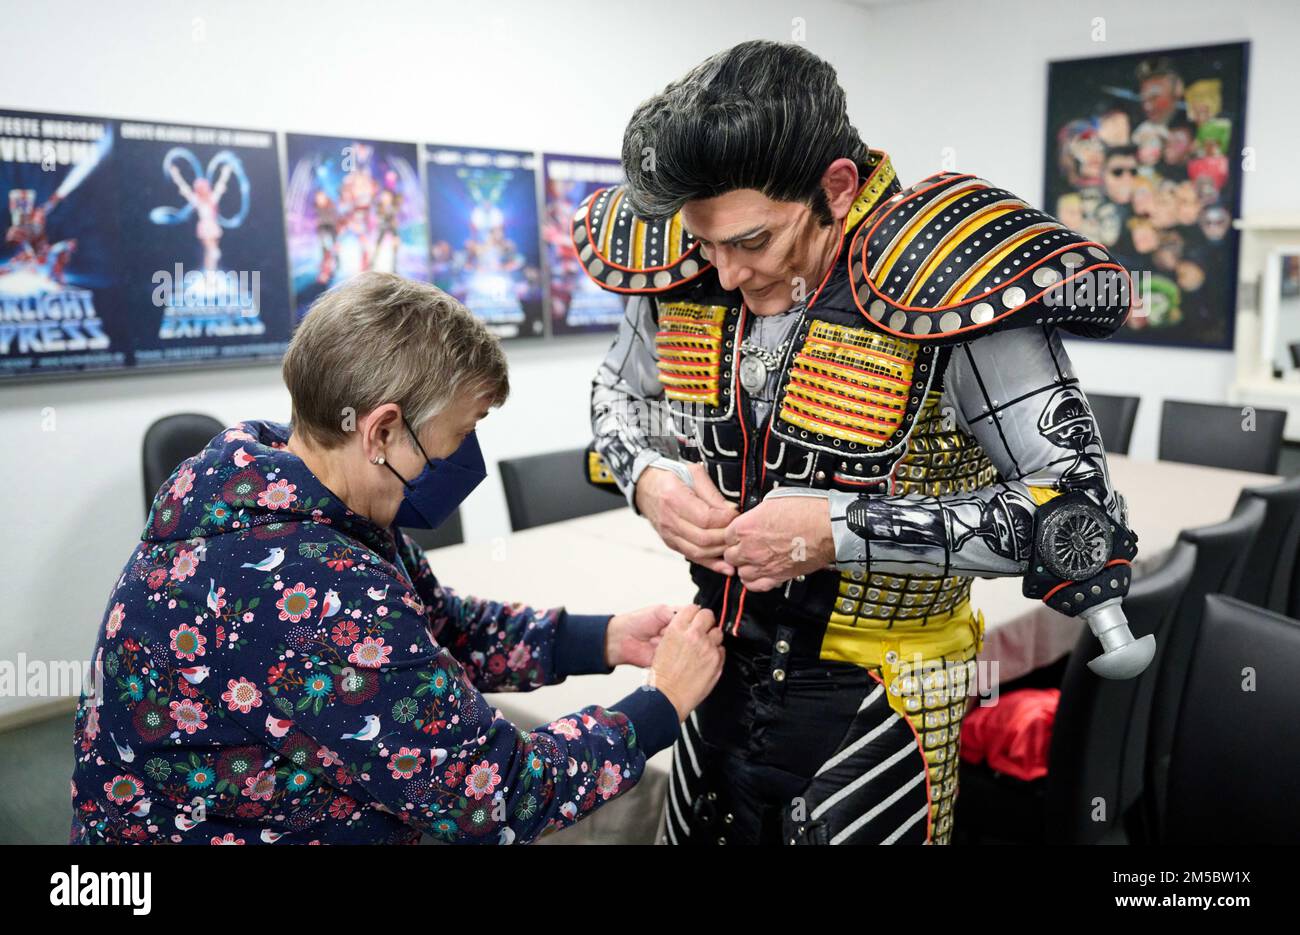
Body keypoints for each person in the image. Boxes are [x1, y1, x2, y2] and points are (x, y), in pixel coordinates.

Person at [580, 40, 1140, 844]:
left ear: (836, 188)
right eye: (707, 245)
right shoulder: (691, 258)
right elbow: (614, 393)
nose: (726, 274)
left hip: (890, 692)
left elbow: (1079, 518)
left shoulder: (948, 275)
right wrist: (648, 479)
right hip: (708, 664)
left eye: (752, 242)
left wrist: (840, 531)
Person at [70, 271, 723, 844]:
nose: (465, 455)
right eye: (462, 432)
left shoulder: (272, 484)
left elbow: (436, 629)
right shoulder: (312, 589)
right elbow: (496, 795)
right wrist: (660, 703)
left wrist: (603, 639)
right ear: (381, 430)